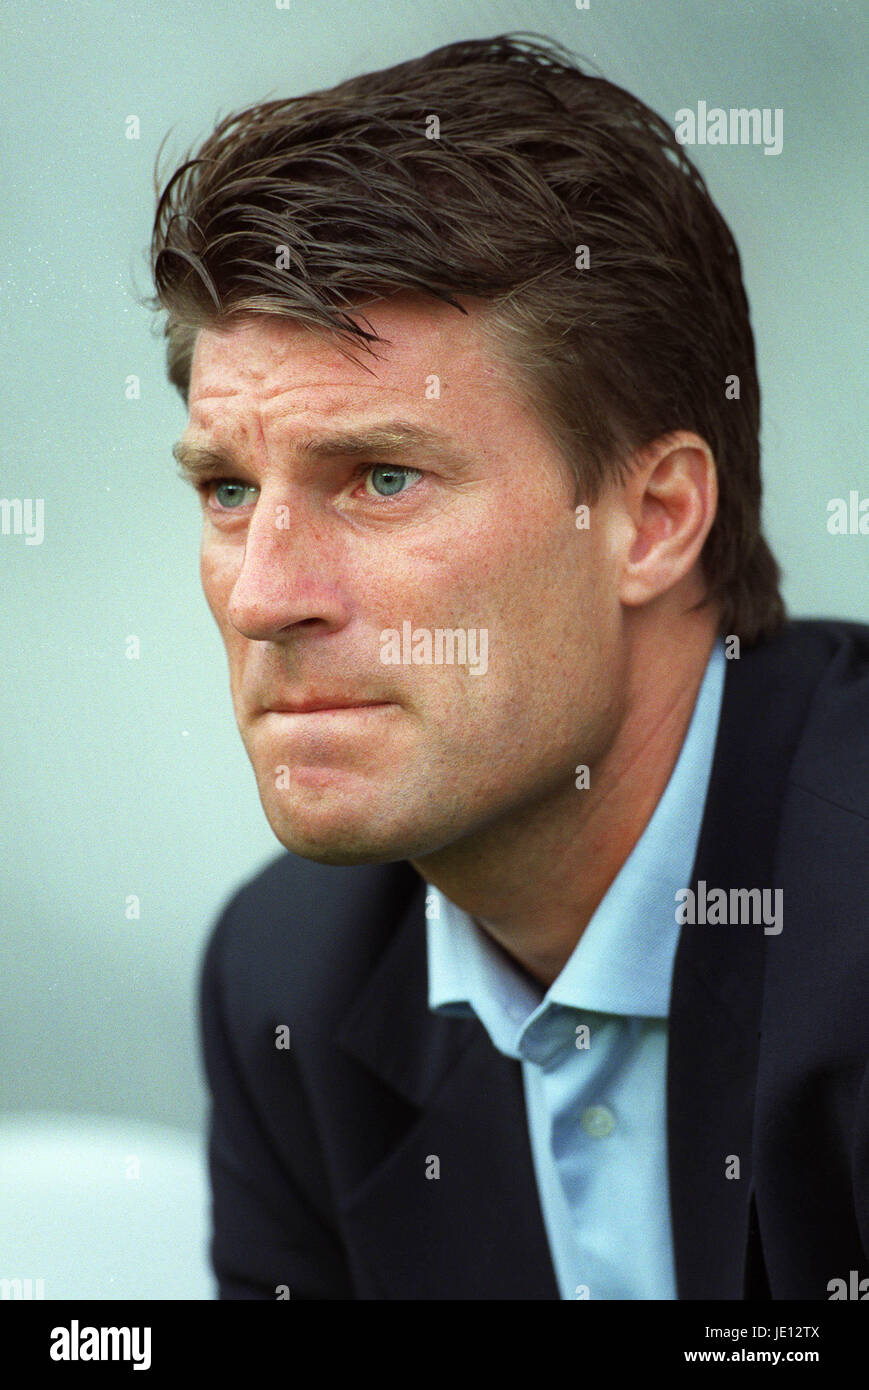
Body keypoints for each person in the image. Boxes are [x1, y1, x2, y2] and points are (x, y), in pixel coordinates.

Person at [147, 34, 869, 1299]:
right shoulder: (284, 982)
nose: (261, 595)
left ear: (650, 519)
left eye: (380, 478)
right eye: (226, 488)